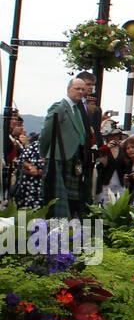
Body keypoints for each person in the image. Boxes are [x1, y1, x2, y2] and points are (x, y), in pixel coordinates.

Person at [38, 76, 92, 218]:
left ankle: (67, 232)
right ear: (69, 90)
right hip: (58, 158)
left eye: (83, 89)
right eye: (77, 89)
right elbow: (46, 132)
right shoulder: (60, 107)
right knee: (57, 200)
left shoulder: (78, 111)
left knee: (71, 201)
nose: (80, 92)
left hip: (74, 161)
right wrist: (44, 153)